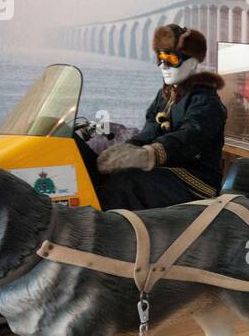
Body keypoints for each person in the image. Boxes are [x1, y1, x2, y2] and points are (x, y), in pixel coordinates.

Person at [82, 25, 226, 211]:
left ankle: (119, 235)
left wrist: (149, 154)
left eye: (171, 59)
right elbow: (149, 132)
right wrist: (125, 150)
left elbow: (189, 137)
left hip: (196, 179)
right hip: (168, 170)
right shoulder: (165, 95)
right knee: (106, 177)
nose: (163, 66)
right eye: (160, 58)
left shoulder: (206, 100)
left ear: (191, 62)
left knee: (126, 184)